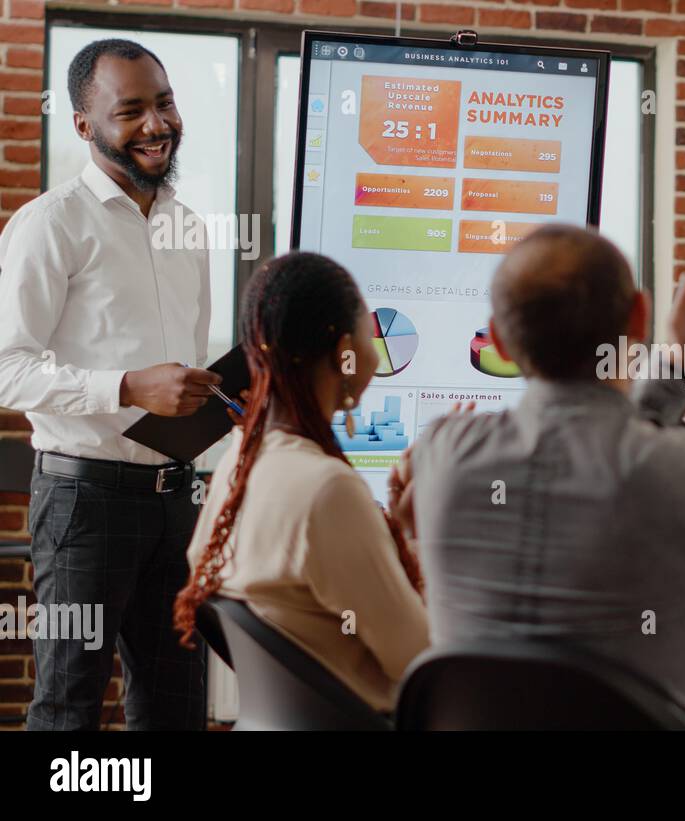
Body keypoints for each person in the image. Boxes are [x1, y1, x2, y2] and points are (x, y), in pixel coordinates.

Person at [389, 224, 685, 730]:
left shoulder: (445, 452)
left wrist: (675, 370)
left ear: (501, 341)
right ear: (639, 319)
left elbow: (599, 446)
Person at [0, 39, 217, 730]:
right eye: (130, 111)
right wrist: (124, 386)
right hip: (81, 503)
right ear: (84, 126)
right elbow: (9, 366)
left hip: (176, 499)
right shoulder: (50, 223)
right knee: (69, 707)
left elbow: (179, 362)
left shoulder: (187, 225)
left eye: (164, 103)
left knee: (177, 709)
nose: (156, 125)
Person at [174, 252, 429, 714]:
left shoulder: (241, 459)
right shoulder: (327, 489)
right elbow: (419, 661)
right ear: (345, 352)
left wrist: (402, 530)